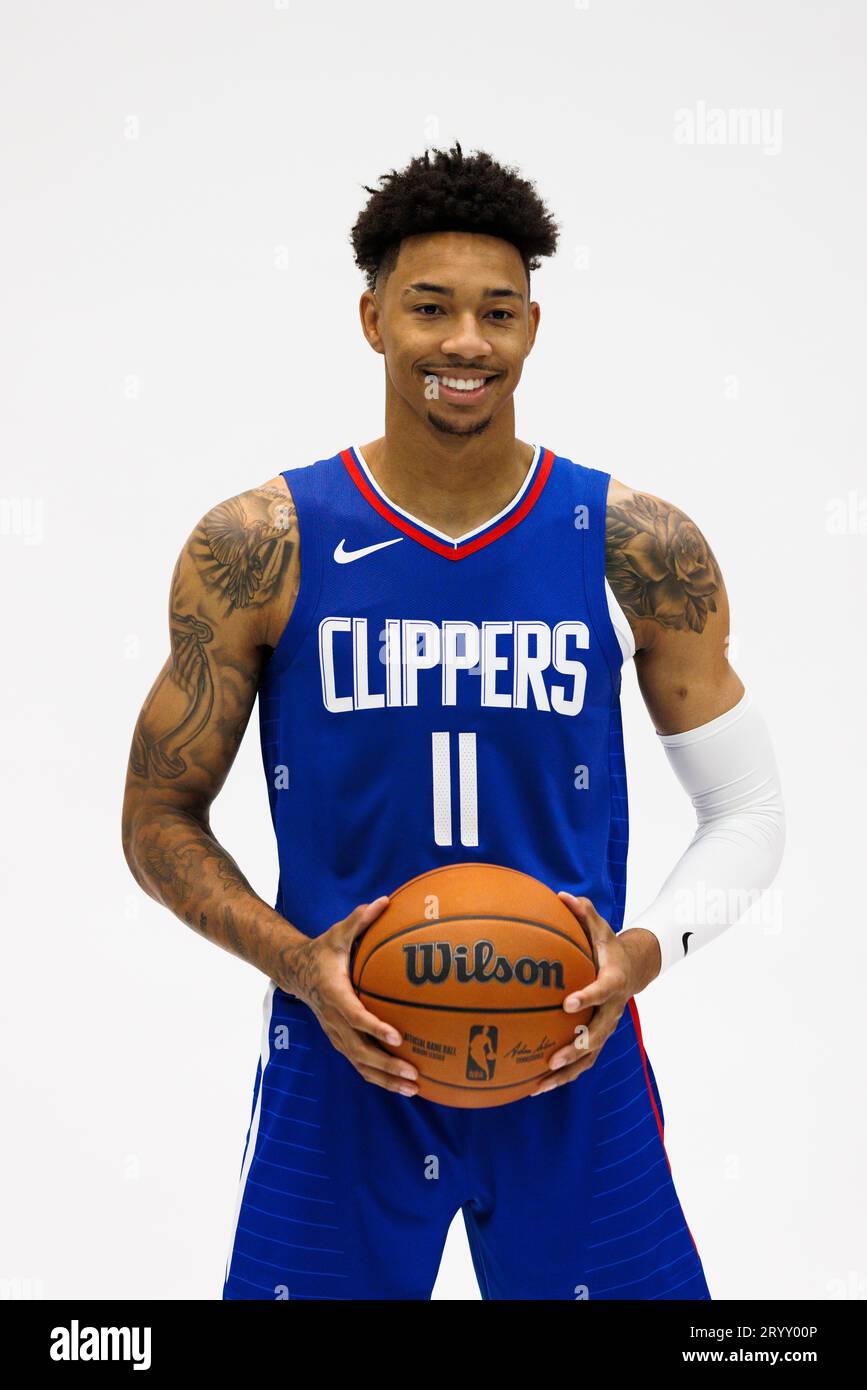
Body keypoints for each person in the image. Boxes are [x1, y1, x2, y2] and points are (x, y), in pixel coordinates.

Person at [122, 142, 784, 1300]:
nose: (465, 343)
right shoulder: (258, 545)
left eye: (497, 311)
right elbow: (156, 816)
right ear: (373, 318)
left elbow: (749, 812)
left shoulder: (638, 545)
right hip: (343, 1058)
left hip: (569, 1053)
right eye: (431, 309)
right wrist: (299, 963)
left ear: (533, 326)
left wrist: (637, 955)